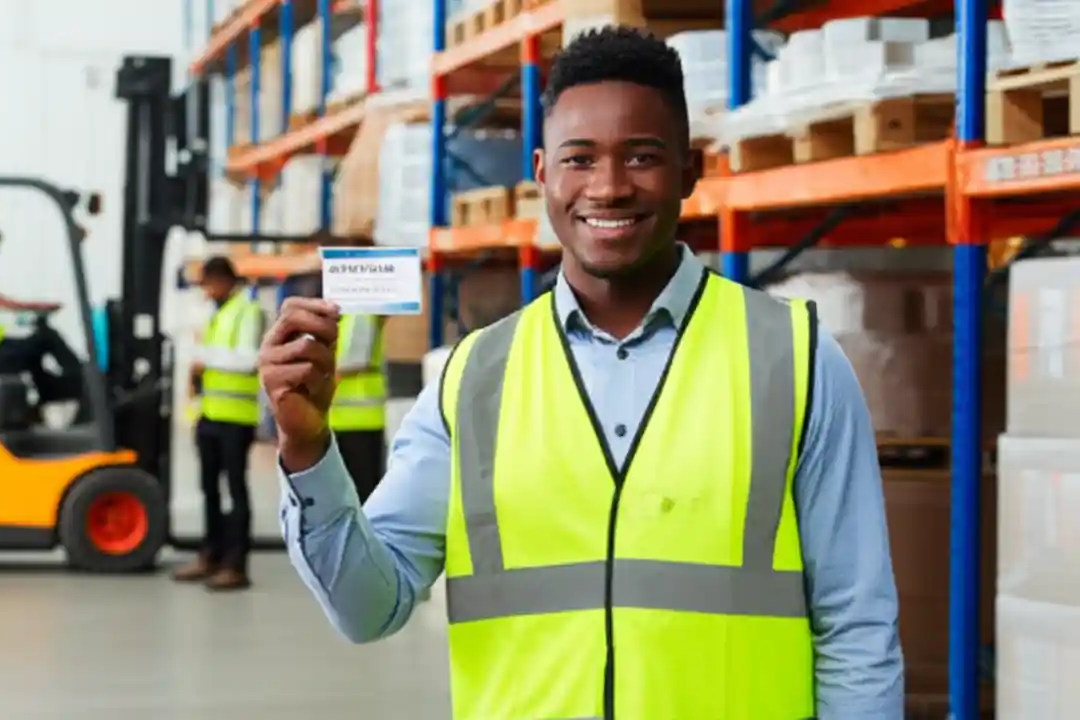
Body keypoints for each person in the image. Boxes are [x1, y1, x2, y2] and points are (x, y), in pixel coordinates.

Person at [261, 26, 904, 719]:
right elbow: (369, 607)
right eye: (579, 158)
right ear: (541, 172)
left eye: (642, 157)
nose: (609, 186)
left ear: (690, 169)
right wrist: (307, 451)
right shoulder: (473, 380)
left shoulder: (798, 360)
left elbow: (857, 628)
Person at [173, 256, 265, 591]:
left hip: (236, 418)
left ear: (224, 280)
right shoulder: (217, 312)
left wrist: (203, 358)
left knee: (235, 491)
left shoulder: (248, 311)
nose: (207, 292)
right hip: (210, 414)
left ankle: (236, 564)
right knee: (208, 489)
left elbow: (247, 360)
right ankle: (210, 554)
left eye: (209, 285)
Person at [0, 223, 85, 415]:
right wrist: (40, 306)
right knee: (45, 338)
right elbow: (5, 303)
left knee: (32, 350)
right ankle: (86, 382)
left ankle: (50, 395)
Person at [329, 313, 387, 502]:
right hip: (345, 419)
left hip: (360, 419)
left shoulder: (360, 312)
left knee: (363, 494)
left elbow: (355, 359)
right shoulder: (348, 315)